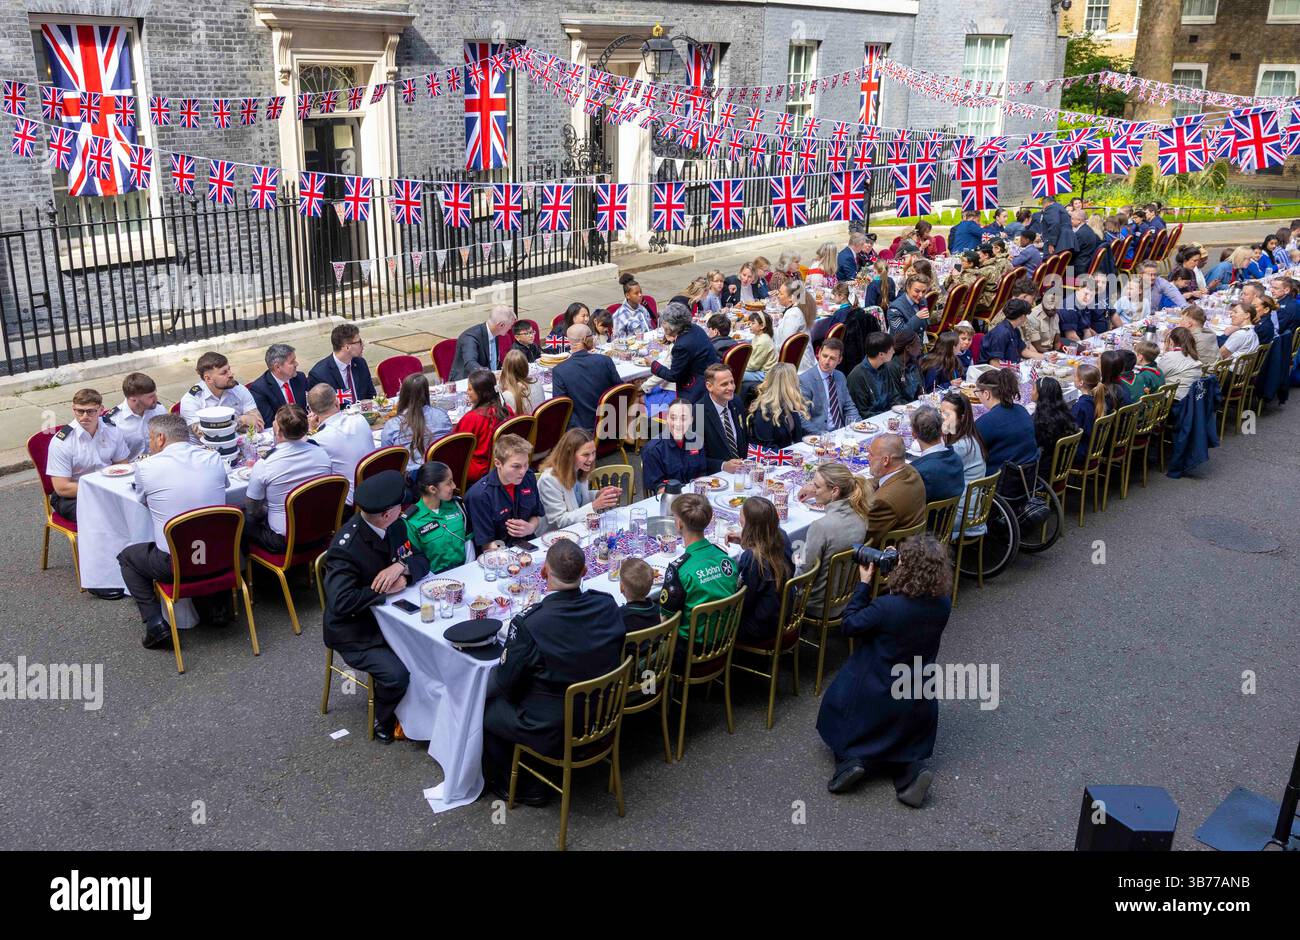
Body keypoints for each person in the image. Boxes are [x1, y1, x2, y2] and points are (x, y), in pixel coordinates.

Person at [481, 538, 626, 803]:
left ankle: (522, 787)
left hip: (554, 727)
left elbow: (506, 683)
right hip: (603, 711)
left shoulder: (530, 623)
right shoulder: (606, 604)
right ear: (585, 572)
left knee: (485, 709)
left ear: (543, 572)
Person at [816, 534, 952, 807]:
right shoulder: (943, 603)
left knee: (842, 713)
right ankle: (911, 774)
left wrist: (864, 584)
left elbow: (850, 624)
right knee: (905, 746)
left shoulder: (887, 607)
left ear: (906, 568)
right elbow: (910, 606)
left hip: (876, 691)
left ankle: (851, 762)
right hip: (916, 695)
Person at [322, 469, 430, 742]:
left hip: (395, 617)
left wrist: (401, 567)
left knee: (431, 653)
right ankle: (384, 718)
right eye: (399, 507)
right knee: (397, 675)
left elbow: (421, 559)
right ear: (385, 514)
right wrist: (380, 589)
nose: (403, 509)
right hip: (358, 630)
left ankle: (422, 713)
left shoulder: (396, 526)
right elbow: (341, 601)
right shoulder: (346, 548)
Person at [117, 412, 231, 647]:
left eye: (150, 438)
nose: (150, 443)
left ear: (160, 438)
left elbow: (143, 501)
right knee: (208, 529)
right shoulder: (213, 458)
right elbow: (225, 485)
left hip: (176, 564)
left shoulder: (146, 467)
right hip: (219, 557)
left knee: (127, 557)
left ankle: (155, 623)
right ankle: (218, 607)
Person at [243, 404, 334, 553]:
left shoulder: (266, 464)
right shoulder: (321, 454)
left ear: (278, 430)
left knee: (241, 519)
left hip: (284, 541)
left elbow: (252, 509)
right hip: (322, 530)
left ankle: (247, 566)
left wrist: (268, 510)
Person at [658, 493, 741, 649]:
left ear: (679, 524)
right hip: (725, 640)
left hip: (690, 648)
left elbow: (665, 620)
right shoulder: (726, 559)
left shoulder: (678, 570)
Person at [45, 388, 130, 531]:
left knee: (138, 506)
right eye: (80, 411)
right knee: (105, 516)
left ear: (101, 410)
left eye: (90, 411)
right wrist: (101, 488)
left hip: (108, 488)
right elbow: (62, 488)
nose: (85, 416)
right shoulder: (62, 442)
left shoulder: (112, 430)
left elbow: (122, 464)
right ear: (73, 409)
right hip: (73, 496)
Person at [795, 463, 870, 618]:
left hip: (817, 604)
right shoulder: (861, 516)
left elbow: (802, 574)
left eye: (817, 486)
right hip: (846, 597)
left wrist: (795, 559)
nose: (813, 490)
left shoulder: (821, 526)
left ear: (835, 491)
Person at [465, 433, 543, 554]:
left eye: (526, 464)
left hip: (529, 545)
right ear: (498, 463)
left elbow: (536, 514)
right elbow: (486, 544)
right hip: (498, 554)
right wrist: (510, 554)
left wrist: (531, 527)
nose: (523, 471)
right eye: (516, 466)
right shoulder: (479, 495)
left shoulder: (529, 477)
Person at [307, 382, 376, 507]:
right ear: (337, 403)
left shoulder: (317, 440)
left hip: (350, 503)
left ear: (312, 411)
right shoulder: (360, 418)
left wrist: (311, 431)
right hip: (376, 486)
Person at [536, 428, 621, 528]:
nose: (591, 459)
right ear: (569, 455)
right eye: (586, 454)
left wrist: (598, 495)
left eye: (593, 453)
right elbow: (559, 521)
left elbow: (577, 499)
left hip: (577, 528)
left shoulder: (579, 469)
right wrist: (594, 505)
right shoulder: (549, 480)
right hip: (555, 534)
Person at [735, 497, 793, 642]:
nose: (739, 520)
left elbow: (743, 602)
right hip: (782, 612)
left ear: (749, 524)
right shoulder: (781, 536)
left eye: (741, 516)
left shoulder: (752, 559)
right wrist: (747, 541)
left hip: (760, 626)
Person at [550, 323, 623, 433]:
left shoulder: (560, 370)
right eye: (591, 336)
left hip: (581, 432)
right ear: (584, 339)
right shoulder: (605, 360)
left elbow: (560, 408)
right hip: (611, 426)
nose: (593, 338)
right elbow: (621, 390)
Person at [402, 460, 472, 574]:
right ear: (433, 489)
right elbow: (416, 559)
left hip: (465, 570)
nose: (454, 486)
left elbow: (468, 543)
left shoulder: (457, 505)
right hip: (434, 578)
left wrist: (469, 571)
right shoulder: (411, 521)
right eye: (449, 483)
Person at [380, 373, 451, 481]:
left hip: (413, 482)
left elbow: (386, 460)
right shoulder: (442, 415)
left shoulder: (393, 425)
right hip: (442, 475)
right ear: (426, 392)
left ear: (402, 395)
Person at [650, 302, 720, 405]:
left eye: (664, 322)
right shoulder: (695, 328)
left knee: (651, 397)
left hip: (698, 389)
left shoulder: (682, 345)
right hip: (711, 376)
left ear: (674, 326)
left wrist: (653, 364)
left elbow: (673, 376)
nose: (662, 325)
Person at [863, 433, 927, 544]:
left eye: (871, 454)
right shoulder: (911, 470)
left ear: (885, 460)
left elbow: (866, 539)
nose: (867, 457)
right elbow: (878, 480)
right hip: (916, 540)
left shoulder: (883, 501)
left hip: (894, 550)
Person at [454, 369, 514, 485]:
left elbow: (456, 446)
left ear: (480, 393)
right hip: (502, 462)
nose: (467, 392)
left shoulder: (472, 418)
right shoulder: (506, 410)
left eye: (470, 389)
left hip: (478, 470)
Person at [940, 391, 988, 538]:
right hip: (969, 507)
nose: (941, 418)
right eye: (940, 412)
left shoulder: (960, 447)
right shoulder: (970, 436)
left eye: (947, 415)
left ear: (961, 418)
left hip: (959, 514)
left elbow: (937, 472)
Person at [973, 369, 1038, 472]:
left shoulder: (986, 422)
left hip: (1000, 478)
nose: (978, 396)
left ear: (986, 394)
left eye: (977, 392)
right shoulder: (1022, 410)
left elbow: (972, 454)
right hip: (1028, 475)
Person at [179, 351, 262, 432]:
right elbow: (204, 434)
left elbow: (259, 425)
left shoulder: (238, 388)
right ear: (208, 379)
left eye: (229, 369)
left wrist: (218, 426)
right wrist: (242, 420)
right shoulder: (191, 400)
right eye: (224, 372)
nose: (231, 374)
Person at [640, 398, 708, 496]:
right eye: (673, 418)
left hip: (695, 497)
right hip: (669, 499)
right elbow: (659, 487)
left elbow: (702, 474)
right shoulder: (653, 449)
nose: (678, 423)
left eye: (683, 418)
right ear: (667, 419)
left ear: (691, 420)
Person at [799, 338, 859, 434]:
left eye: (832, 358)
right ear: (819, 353)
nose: (827, 361)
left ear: (839, 360)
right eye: (824, 356)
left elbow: (849, 407)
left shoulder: (840, 376)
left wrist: (858, 426)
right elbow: (802, 416)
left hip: (842, 431)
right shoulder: (805, 380)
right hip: (819, 434)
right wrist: (821, 435)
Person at [102, 372, 167, 459]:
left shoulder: (159, 409)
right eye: (151, 396)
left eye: (155, 394)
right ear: (133, 399)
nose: (156, 399)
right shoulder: (113, 421)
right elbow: (109, 456)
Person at [307, 323, 377, 401]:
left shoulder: (360, 363)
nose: (363, 345)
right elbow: (319, 406)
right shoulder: (319, 375)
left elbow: (371, 395)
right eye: (359, 342)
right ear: (347, 347)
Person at [909, 406, 965, 503]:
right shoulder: (956, 458)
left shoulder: (918, 471)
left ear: (913, 434)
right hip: (951, 511)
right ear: (942, 431)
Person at [700, 363, 749, 473]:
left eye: (732, 382)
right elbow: (694, 458)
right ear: (709, 386)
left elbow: (745, 439)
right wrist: (723, 466)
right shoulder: (697, 413)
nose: (731, 388)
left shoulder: (736, 401)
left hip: (742, 472)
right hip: (716, 476)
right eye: (724, 384)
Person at [748, 363, 810, 448]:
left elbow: (797, 435)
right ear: (787, 386)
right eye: (795, 381)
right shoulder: (764, 411)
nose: (798, 384)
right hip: (775, 455)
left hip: (794, 452)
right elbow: (767, 447)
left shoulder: (789, 403)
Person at [248, 343, 309, 428]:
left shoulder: (300, 377)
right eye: (292, 362)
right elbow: (269, 423)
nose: (296, 364)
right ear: (277, 367)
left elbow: (308, 408)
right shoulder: (260, 389)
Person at [448, 305, 516, 381]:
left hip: (487, 380)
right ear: (501, 325)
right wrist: (490, 375)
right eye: (510, 325)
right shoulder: (470, 337)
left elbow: (493, 361)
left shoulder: (495, 333)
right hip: (466, 381)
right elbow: (470, 363)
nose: (510, 328)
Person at [1031, 377, 1078, 482]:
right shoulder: (1065, 413)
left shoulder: (1041, 422)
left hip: (1044, 472)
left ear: (1040, 394)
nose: (1031, 392)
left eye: (1033, 389)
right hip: (1062, 466)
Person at [847, 331, 895, 417]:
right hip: (869, 421)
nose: (894, 352)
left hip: (889, 416)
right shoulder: (857, 376)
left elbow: (894, 396)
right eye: (891, 349)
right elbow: (862, 412)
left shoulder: (886, 367)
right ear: (881, 354)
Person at [1070, 364, 1111, 462]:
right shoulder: (1101, 399)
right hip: (1095, 447)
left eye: (1075, 376)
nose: (1073, 378)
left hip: (1082, 452)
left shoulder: (1080, 407)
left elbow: (1071, 432)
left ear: (1081, 382)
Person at [980, 299, 1040, 365]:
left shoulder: (1015, 330)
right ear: (1022, 317)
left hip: (1011, 365)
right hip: (995, 369)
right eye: (1026, 316)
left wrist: (1044, 357)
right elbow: (994, 362)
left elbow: (1023, 350)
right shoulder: (1001, 333)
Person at [773, 278, 816, 370]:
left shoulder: (793, 314)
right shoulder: (798, 309)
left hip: (798, 366)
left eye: (781, 293)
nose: (778, 296)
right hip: (799, 361)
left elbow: (785, 344)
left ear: (791, 298)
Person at [1158, 328, 1205, 401]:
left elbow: (1157, 376)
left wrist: (1165, 351)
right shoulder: (1194, 357)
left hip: (1172, 400)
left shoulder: (1171, 357)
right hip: (1190, 399)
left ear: (1171, 341)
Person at [882, 329, 923, 407]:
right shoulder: (891, 367)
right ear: (908, 348)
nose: (921, 347)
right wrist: (913, 408)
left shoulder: (914, 362)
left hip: (915, 405)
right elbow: (895, 399)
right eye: (918, 344)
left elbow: (921, 389)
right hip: (901, 409)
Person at [498, 348, 543, 417]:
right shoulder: (537, 383)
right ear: (526, 366)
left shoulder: (507, 396)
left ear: (506, 369)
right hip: (540, 422)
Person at [811, 282, 852, 350]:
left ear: (841, 296)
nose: (833, 298)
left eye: (835, 295)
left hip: (832, 343)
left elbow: (830, 331)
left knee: (814, 341)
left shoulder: (839, 313)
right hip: (845, 342)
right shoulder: (850, 308)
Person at [613, 272, 653, 337]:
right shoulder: (620, 315)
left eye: (640, 292)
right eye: (636, 293)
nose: (640, 295)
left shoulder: (643, 309)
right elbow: (618, 340)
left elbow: (650, 329)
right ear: (627, 295)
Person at [742, 310, 777, 383]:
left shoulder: (763, 341)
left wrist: (740, 366)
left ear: (762, 326)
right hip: (759, 369)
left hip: (765, 374)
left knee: (736, 374)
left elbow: (753, 366)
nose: (750, 325)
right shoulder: (758, 336)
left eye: (753, 323)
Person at [1068, 206, 1101, 274]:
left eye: (1072, 219)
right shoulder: (1088, 229)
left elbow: (1072, 252)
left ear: (1079, 221)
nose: (1070, 221)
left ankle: (1067, 280)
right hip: (1087, 263)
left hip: (1079, 268)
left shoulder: (1080, 233)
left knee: (1059, 268)